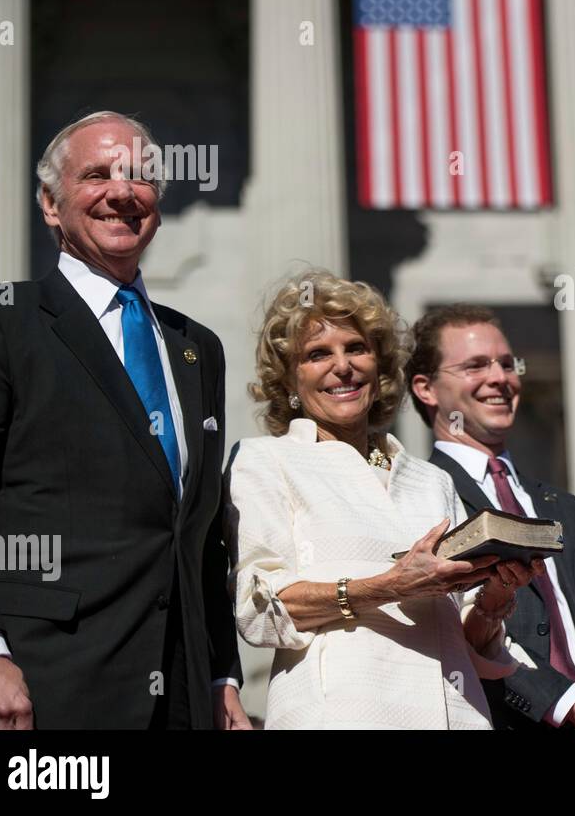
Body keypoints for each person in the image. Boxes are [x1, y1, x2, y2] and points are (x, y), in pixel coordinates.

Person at [0, 111, 246, 729]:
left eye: (140, 177)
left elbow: (199, 538)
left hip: (186, 694)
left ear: (159, 205)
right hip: (44, 688)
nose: (121, 192)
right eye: (95, 175)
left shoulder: (197, 348)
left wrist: (222, 674)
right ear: (51, 204)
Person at [225, 274, 540, 729]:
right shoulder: (266, 461)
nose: (343, 366)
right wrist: (390, 585)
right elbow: (260, 611)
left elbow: (471, 638)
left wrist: (496, 595)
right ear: (289, 378)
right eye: (318, 354)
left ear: (380, 364)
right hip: (340, 715)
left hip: (457, 714)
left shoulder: (430, 480)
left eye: (356, 348)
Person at [407, 304, 575, 730]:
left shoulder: (574, 513)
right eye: (475, 366)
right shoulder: (420, 498)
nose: (500, 378)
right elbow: (454, 636)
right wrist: (572, 706)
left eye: (507, 364)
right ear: (426, 388)